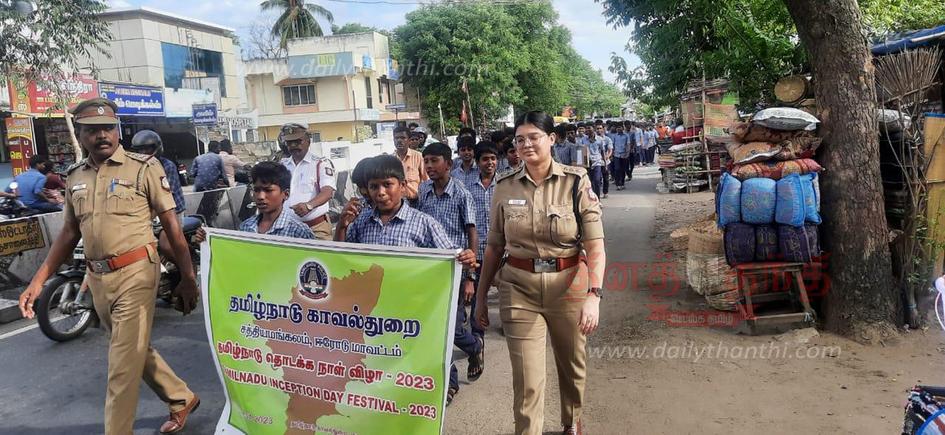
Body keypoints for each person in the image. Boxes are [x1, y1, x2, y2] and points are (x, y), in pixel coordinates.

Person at [17, 98, 200, 435]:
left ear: (116, 129)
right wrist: (39, 279)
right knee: (132, 349)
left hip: (137, 272)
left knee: (120, 366)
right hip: (97, 278)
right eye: (92, 130)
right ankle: (180, 397)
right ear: (81, 134)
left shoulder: (143, 168)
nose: (102, 135)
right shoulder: (74, 176)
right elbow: (70, 232)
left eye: (107, 128)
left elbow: (172, 226)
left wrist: (188, 278)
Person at [474, 111, 605, 435]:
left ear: (551, 139)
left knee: (572, 367)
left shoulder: (576, 182)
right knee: (527, 378)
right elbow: (493, 247)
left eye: (534, 137)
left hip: (570, 285)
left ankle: (571, 422)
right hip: (519, 288)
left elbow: (596, 247)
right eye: (520, 140)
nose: (526, 144)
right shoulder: (504, 186)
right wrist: (480, 299)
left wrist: (594, 296)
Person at [418, 142, 484, 405]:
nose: (429, 166)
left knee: (453, 328)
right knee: (435, 327)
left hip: (454, 268)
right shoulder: (423, 191)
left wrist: (470, 277)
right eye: (426, 161)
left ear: (448, 163)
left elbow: (472, 233)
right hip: (428, 270)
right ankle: (451, 381)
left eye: (434, 161)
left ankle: (474, 346)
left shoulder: (461, 193)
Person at [195, 162, 314, 242]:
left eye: (268, 190)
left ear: (285, 194)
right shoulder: (246, 227)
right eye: (257, 190)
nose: (261, 196)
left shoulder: (299, 232)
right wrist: (208, 241)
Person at [278, 123, 336, 240]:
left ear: (308, 141)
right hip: (287, 229)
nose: (294, 146)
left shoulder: (320, 163)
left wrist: (309, 206)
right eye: (289, 143)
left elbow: (327, 192)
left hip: (316, 228)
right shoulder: (282, 165)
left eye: (298, 141)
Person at [466, 141, 498, 345]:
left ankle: (512, 326)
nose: (490, 163)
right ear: (478, 162)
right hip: (478, 250)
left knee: (508, 291)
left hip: (502, 250)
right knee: (478, 293)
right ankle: (478, 337)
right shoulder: (467, 188)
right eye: (485, 159)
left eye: (493, 159)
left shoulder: (505, 185)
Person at [393, 125, 428, 205]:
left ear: (409, 140)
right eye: (396, 138)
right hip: (397, 204)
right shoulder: (390, 160)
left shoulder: (419, 157)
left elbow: (427, 181)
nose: (399, 140)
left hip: (416, 202)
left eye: (402, 138)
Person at [585, 128, 606, 199]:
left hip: (597, 162)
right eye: (588, 130)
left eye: (590, 130)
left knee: (597, 180)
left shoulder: (600, 139)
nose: (589, 132)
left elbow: (602, 151)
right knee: (590, 182)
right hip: (587, 163)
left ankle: (598, 198)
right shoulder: (584, 140)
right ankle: (592, 198)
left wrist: (605, 163)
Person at [611, 124, 632, 190]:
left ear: (623, 128)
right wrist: (612, 154)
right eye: (618, 128)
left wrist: (627, 154)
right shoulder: (615, 136)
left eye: (620, 127)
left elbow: (628, 145)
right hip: (616, 155)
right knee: (617, 169)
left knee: (623, 169)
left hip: (624, 155)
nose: (619, 129)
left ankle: (622, 183)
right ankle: (618, 184)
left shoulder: (626, 135)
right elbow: (613, 145)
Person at [595, 125, 613, 198]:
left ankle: (605, 192)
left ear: (603, 129)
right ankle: (597, 194)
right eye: (597, 128)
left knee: (606, 178)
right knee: (597, 179)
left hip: (605, 161)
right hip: (596, 162)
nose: (599, 130)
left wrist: (607, 156)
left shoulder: (607, 139)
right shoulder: (593, 139)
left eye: (600, 128)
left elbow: (610, 150)